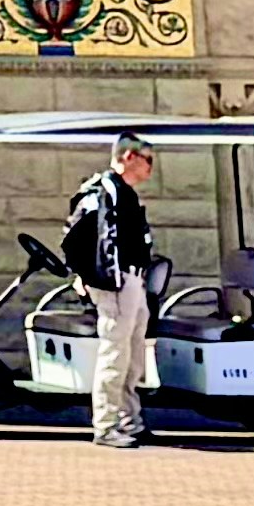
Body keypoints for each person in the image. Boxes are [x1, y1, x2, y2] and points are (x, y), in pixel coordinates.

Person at [61, 133, 169, 447]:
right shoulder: (105, 190)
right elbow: (77, 235)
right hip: (116, 282)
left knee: (134, 355)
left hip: (132, 280)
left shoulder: (126, 193)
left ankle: (129, 421)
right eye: (148, 159)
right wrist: (85, 273)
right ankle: (106, 425)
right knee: (115, 352)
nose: (151, 167)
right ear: (128, 157)